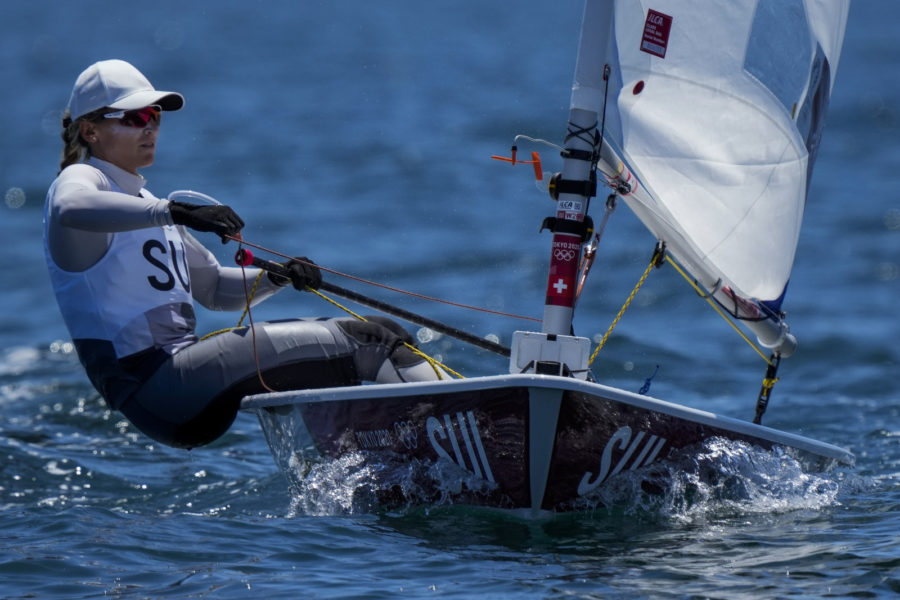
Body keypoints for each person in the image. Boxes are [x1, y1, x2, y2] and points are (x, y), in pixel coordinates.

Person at [43, 59, 444, 449]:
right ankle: (453, 442)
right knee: (373, 339)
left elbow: (215, 288)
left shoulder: (145, 204)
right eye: (133, 118)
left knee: (388, 336)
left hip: (185, 383)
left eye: (154, 116)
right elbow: (69, 207)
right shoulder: (83, 180)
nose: (149, 127)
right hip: (160, 387)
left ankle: (401, 459)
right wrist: (174, 210)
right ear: (90, 131)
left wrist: (278, 276)